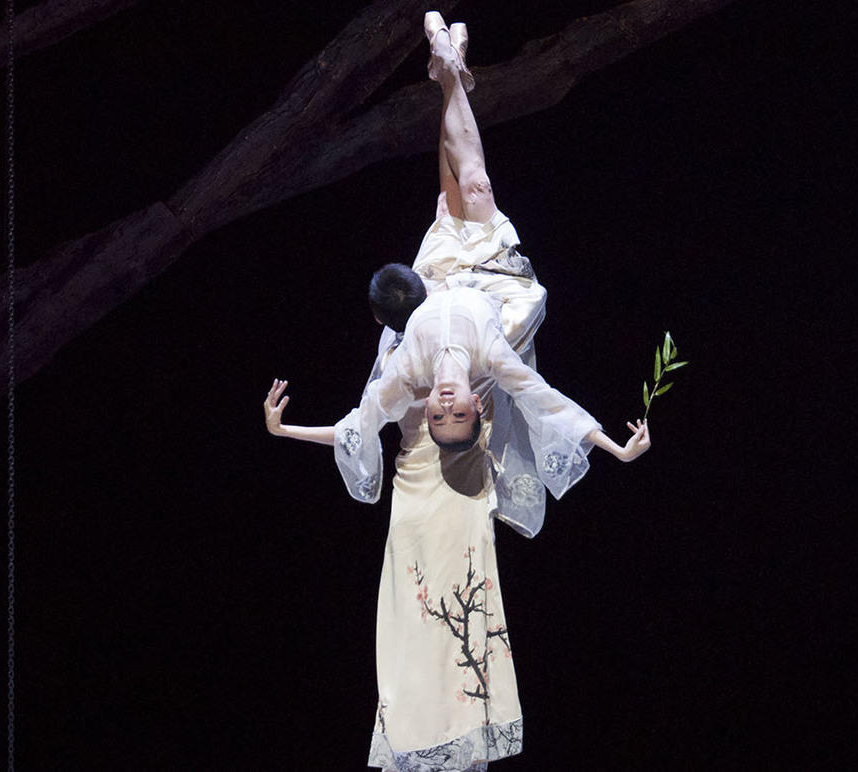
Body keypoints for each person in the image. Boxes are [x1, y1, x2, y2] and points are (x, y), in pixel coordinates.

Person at [263, 14, 651, 771]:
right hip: (495, 291)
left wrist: (285, 433)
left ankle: (450, 74)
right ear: (476, 409)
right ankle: (450, 69)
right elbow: (547, 401)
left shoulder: (407, 371)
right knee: (473, 182)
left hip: (434, 282)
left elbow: (357, 425)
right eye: (455, 412)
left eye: (434, 414)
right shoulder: (489, 364)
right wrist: (615, 445)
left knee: (450, 184)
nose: (441, 403)